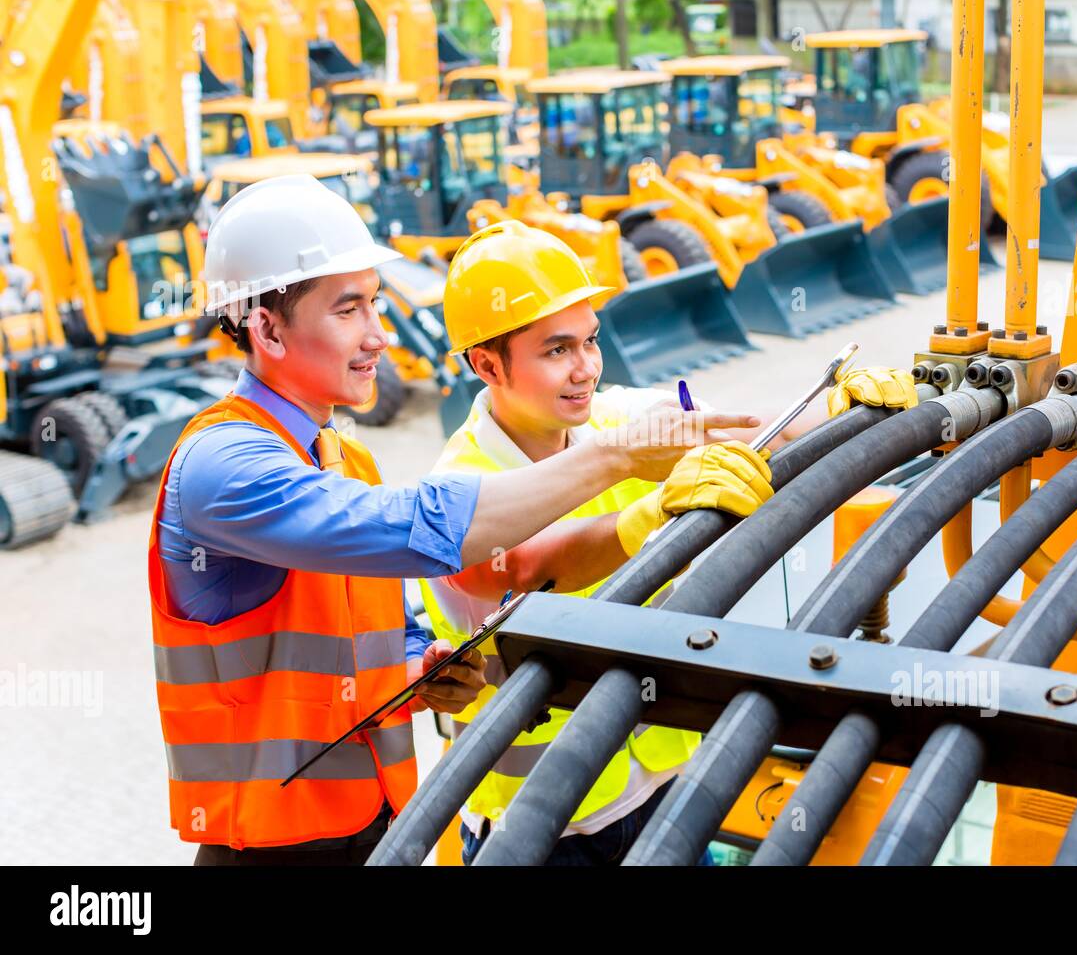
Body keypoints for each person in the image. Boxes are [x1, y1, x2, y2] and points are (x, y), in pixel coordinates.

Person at [147, 176, 763, 865]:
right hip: (268, 850)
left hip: (377, 829)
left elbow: (362, 633)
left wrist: (418, 668)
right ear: (265, 328)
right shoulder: (220, 464)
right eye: (348, 310)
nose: (378, 336)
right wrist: (620, 462)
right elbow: (410, 527)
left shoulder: (344, 456)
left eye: (375, 304)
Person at [422, 220, 917, 865]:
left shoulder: (615, 418)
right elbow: (527, 565)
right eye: (557, 350)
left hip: (661, 794)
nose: (586, 369)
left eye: (592, 341)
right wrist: (652, 513)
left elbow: (745, 432)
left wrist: (844, 414)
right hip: (545, 833)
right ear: (488, 365)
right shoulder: (456, 488)